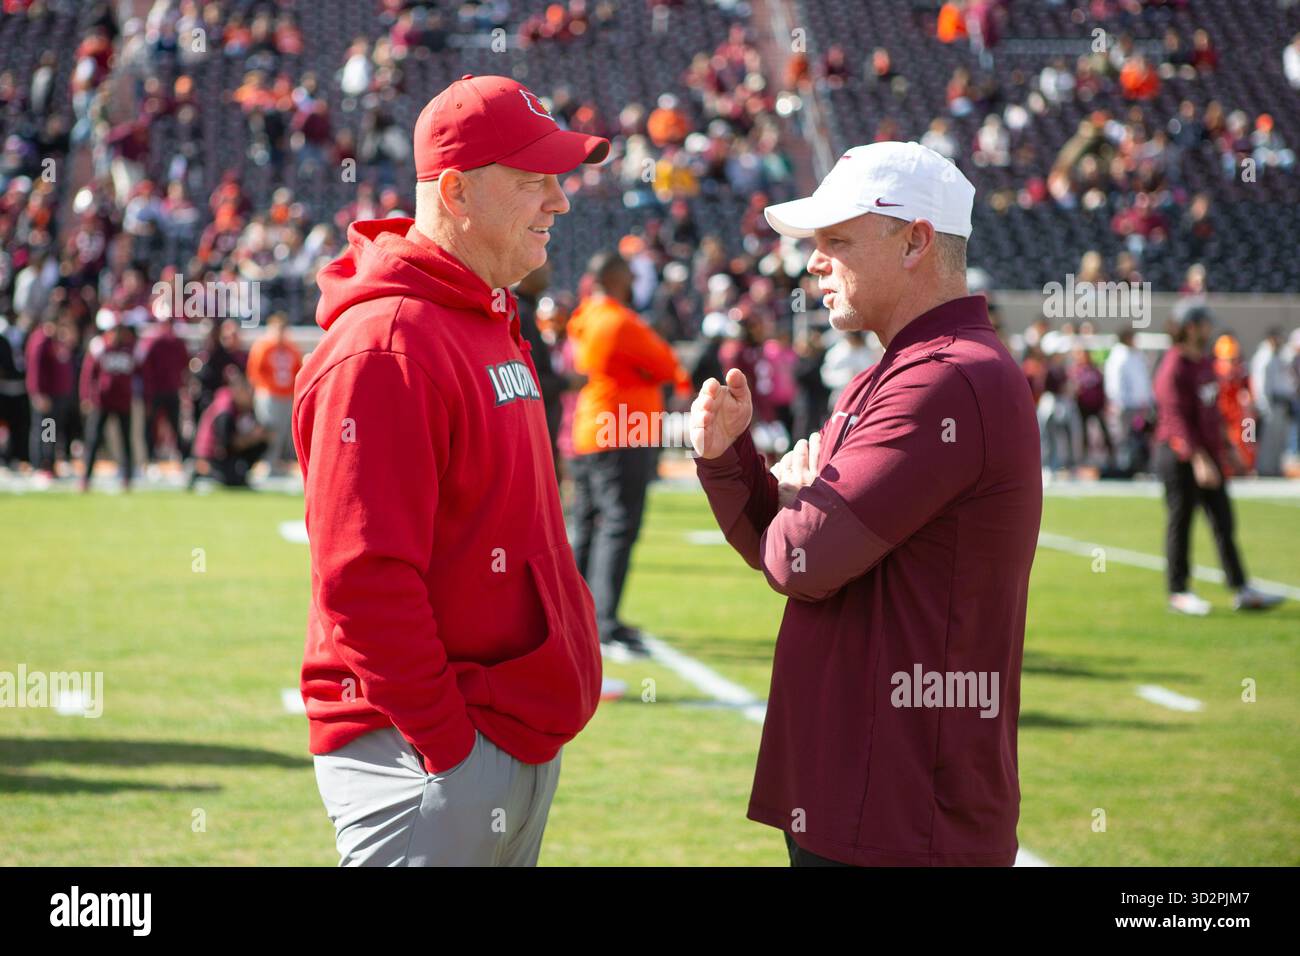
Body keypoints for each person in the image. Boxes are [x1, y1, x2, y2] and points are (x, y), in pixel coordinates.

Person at [691, 141, 1042, 866]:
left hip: (902, 805)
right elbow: (786, 545)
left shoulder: (945, 378)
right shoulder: (893, 371)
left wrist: (804, 499)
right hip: (864, 787)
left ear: (916, 239)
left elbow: (798, 558)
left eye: (837, 240)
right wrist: (733, 463)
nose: (813, 261)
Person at [294, 74, 608, 866]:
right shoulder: (387, 344)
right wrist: (448, 747)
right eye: (534, 180)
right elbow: (363, 577)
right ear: (459, 191)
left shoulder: (483, 316)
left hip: (495, 743)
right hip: (429, 756)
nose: (560, 201)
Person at [568, 251, 688, 657]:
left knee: (588, 524)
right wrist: (645, 372)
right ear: (619, 279)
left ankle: (575, 615)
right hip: (622, 430)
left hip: (590, 430)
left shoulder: (585, 316)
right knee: (619, 524)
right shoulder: (619, 321)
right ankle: (604, 622)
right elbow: (669, 365)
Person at [1153, 305, 1283, 615]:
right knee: (1181, 523)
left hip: (1208, 454)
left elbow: (1212, 414)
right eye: (1206, 324)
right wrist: (1197, 458)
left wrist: (1227, 447)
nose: (1211, 329)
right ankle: (1178, 590)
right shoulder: (1174, 366)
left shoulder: (1206, 363)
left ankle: (1241, 587)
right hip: (1179, 456)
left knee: (1224, 521)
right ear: (1192, 327)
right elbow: (1174, 420)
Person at [79, 310, 138, 492]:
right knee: (93, 440)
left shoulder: (131, 348)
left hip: (123, 401)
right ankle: (85, 479)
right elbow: (87, 374)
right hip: (102, 401)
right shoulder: (99, 347)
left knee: (125, 440)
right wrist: (86, 397)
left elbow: (141, 372)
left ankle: (127, 478)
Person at [188, 368, 268, 487]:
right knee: (233, 480)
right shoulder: (225, 408)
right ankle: (202, 470)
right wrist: (251, 438)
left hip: (225, 454)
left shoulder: (241, 407)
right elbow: (225, 443)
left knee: (262, 443)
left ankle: (240, 471)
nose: (252, 395)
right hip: (211, 456)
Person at [245, 312, 302, 475]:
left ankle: (276, 462)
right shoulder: (263, 347)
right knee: (269, 431)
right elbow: (254, 372)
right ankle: (266, 463)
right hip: (268, 394)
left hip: (286, 395)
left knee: (284, 432)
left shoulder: (292, 348)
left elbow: (298, 371)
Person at [136, 313, 191, 465]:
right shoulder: (154, 343)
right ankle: (150, 458)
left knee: (174, 425)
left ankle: (182, 458)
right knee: (151, 426)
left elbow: (184, 366)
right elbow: (145, 370)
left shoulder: (175, 343)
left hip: (169, 390)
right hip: (156, 391)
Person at [1103, 329, 1153, 475]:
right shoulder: (1119, 356)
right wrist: (1118, 401)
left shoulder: (1136, 355)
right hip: (1124, 405)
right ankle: (1123, 467)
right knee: (1123, 438)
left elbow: (1143, 380)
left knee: (1137, 438)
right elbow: (1115, 382)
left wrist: (1147, 400)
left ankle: (1135, 466)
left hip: (1137, 405)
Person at [1250, 327, 1293, 477]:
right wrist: (1263, 405)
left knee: (1278, 439)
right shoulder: (1264, 357)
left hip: (1280, 403)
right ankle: (1265, 469)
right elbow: (1260, 384)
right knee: (1267, 440)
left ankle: (1274, 468)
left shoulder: (1277, 356)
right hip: (1270, 404)